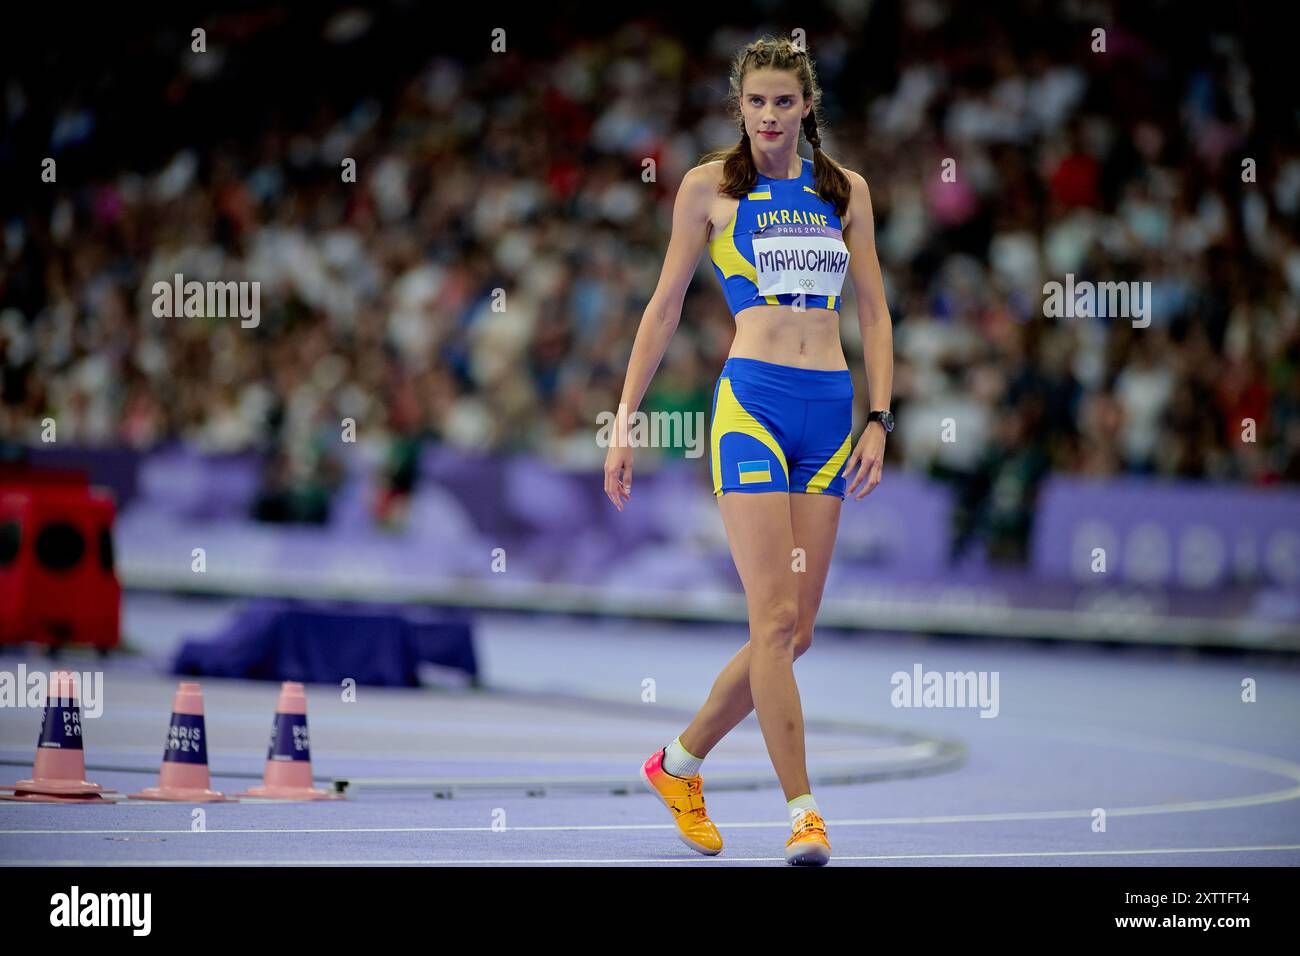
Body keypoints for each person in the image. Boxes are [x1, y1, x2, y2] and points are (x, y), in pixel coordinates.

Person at [603, 36, 895, 865]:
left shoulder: (846, 191)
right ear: (739, 107)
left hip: (830, 415)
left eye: (783, 102)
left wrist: (881, 417)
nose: (769, 116)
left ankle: (679, 762)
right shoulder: (707, 187)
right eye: (756, 102)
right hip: (753, 408)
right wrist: (625, 419)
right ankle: (804, 811)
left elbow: (873, 313)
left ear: (807, 107)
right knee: (770, 620)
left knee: (795, 632)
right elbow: (662, 311)